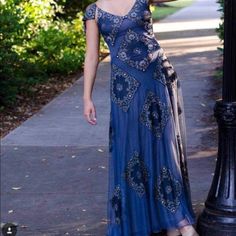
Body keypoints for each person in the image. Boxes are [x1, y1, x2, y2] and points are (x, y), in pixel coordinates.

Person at [82, 0, 199, 235]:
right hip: (125, 89)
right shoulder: (93, 12)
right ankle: (160, 219)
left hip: (156, 79)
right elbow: (92, 56)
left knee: (163, 147)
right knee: (132, 150)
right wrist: (87, 97)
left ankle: (177, 219)